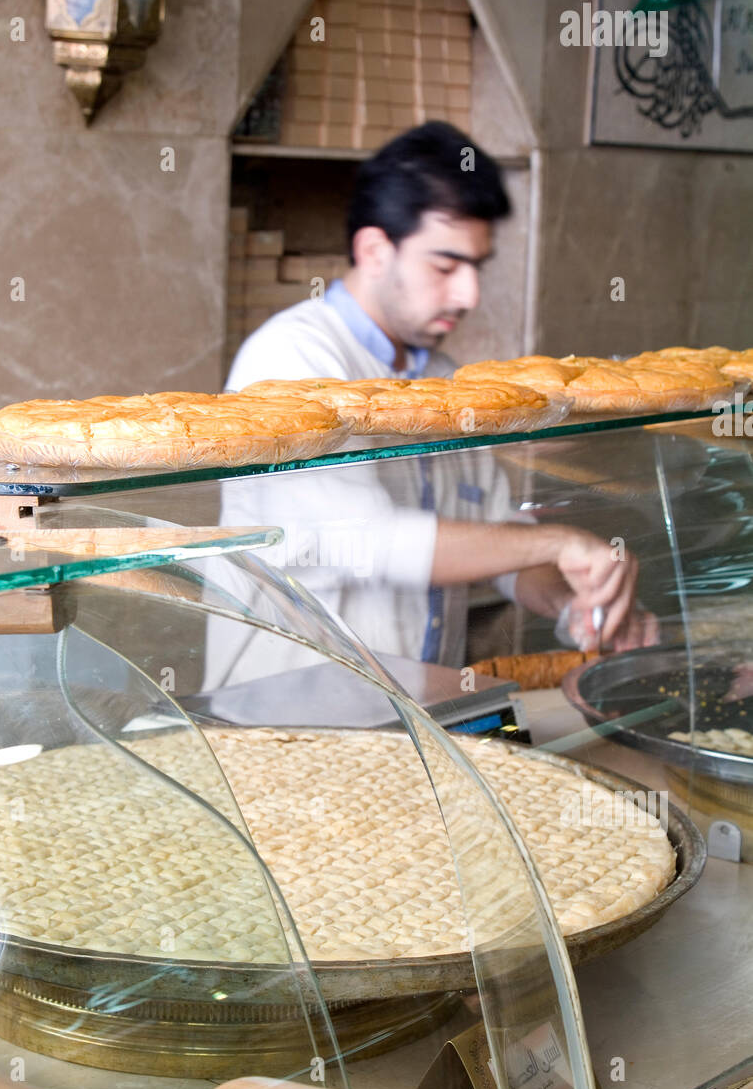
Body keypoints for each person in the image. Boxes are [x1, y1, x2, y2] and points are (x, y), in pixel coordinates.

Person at [203, 123, 656, 691]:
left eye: (477, 268)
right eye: (445, 267)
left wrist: (577, 602)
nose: (469, 295)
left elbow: (499, 538)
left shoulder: (444, 382)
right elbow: (372, 539)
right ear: (374, 250)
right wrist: (559, 542)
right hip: (286, 719)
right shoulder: (291, 356)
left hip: (413, 720)